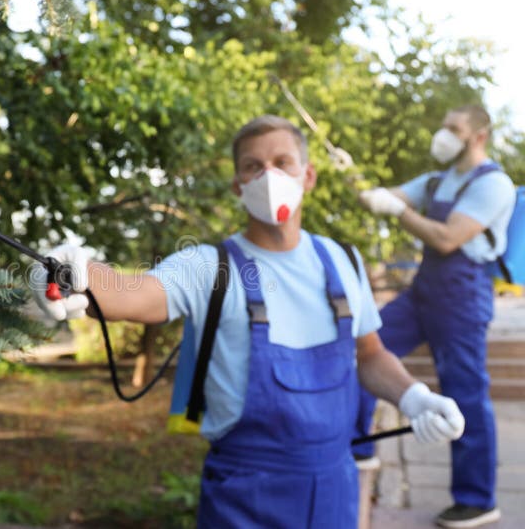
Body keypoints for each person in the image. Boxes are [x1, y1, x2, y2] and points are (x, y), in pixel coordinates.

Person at [31, 114, 466, 528]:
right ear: (239, 186)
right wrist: (75, 273)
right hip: (246, 496)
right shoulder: (209, 267)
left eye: (282, 163)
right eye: (253, 167)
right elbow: (134, 292)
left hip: (337, 486)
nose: (269, 176)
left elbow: (369, 353)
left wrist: (414, 398)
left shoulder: (342, 258)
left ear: (307, 176)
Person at [356, 104, 516, 528]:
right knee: (362, 347)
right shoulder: (436, 180)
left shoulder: (494, 184)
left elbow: (447, 238)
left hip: (462, 297)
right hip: (423, 292)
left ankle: (477, 499)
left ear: (477, 135)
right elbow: (388, 196)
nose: (441, 135)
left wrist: (397, 211)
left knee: (465, 393)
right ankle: (360, 451)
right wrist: (361, 184)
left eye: (452, 128)